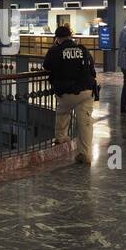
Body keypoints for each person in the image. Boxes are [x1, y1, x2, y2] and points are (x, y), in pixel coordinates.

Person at [42, 24, 98, 165]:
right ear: (71, 36)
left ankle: (61, 138)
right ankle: (84, 154)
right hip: (86, 91)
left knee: (62, 113)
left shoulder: (55, 50)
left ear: (57, 38)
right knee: (85, 123)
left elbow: (47, 66)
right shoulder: (83, 50)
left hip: (65, 92)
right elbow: (91, 67)